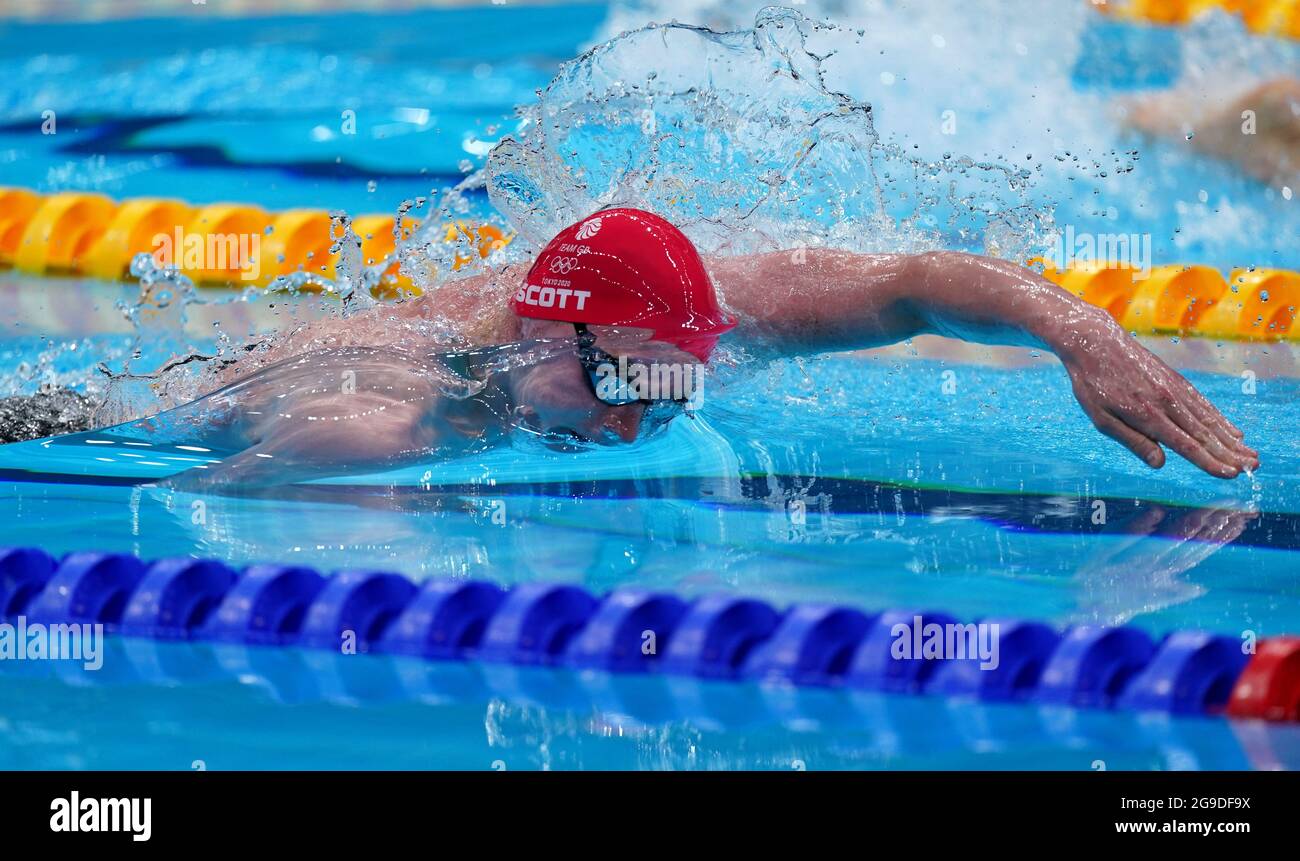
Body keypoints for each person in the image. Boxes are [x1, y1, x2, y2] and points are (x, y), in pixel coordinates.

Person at [102, 207, 1256, 488]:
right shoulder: (379, 419)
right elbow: (175, 519)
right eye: (614, 384)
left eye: (662, 398)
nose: (620, 424)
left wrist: (1081, 329)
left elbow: (910, 284)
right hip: (106, 432)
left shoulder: (673, 319)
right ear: (541, 329)